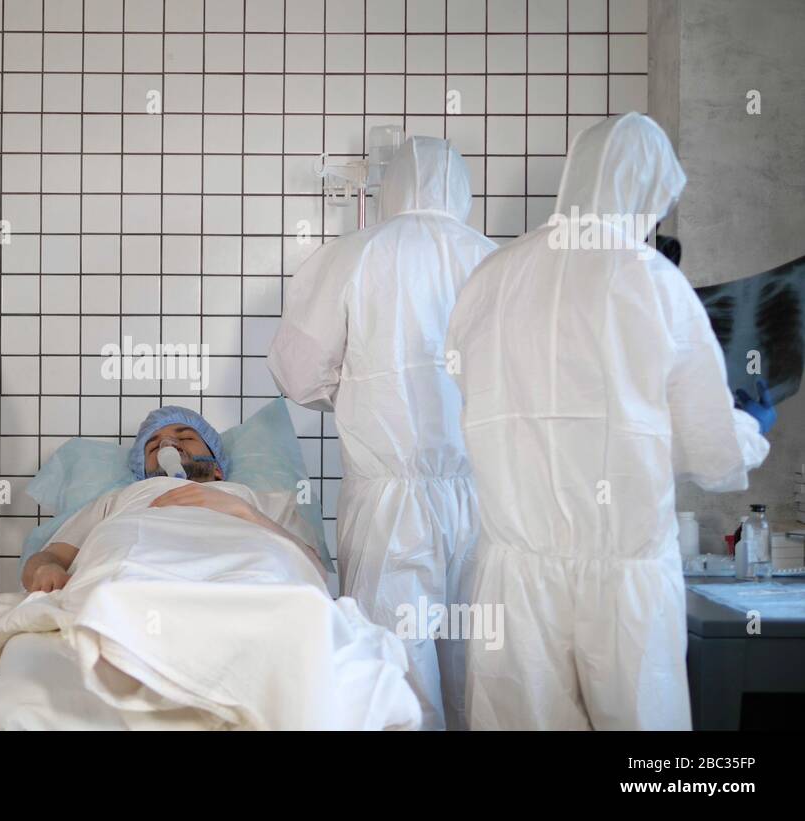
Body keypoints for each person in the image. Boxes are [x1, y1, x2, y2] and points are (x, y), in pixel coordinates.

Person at [446, 113, 770, 730]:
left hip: (518, 575)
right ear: (648, 190)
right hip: (624, 583)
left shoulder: (491, 277)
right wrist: (749, 428)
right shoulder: (652, 281)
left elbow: (473, 388)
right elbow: (710, 453)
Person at [266, 136, 497, 730]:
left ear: (387, 189)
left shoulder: (354, 255)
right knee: (482, 664)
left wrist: (348, 391)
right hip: (488, 498)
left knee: (393, 669)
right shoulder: (497, 261)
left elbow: (298, 373)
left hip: (389, 499)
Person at [21, 406, 325, 592]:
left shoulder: (262, 502)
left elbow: (315, 573)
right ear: (141, 470)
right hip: (130, 586)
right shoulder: (120, 500)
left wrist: (242, 511)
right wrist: (45, 570)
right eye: (153, 446)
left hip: (242, 586)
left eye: (186, 437)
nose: (168, 444)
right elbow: (50, 558)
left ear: (217, 468)